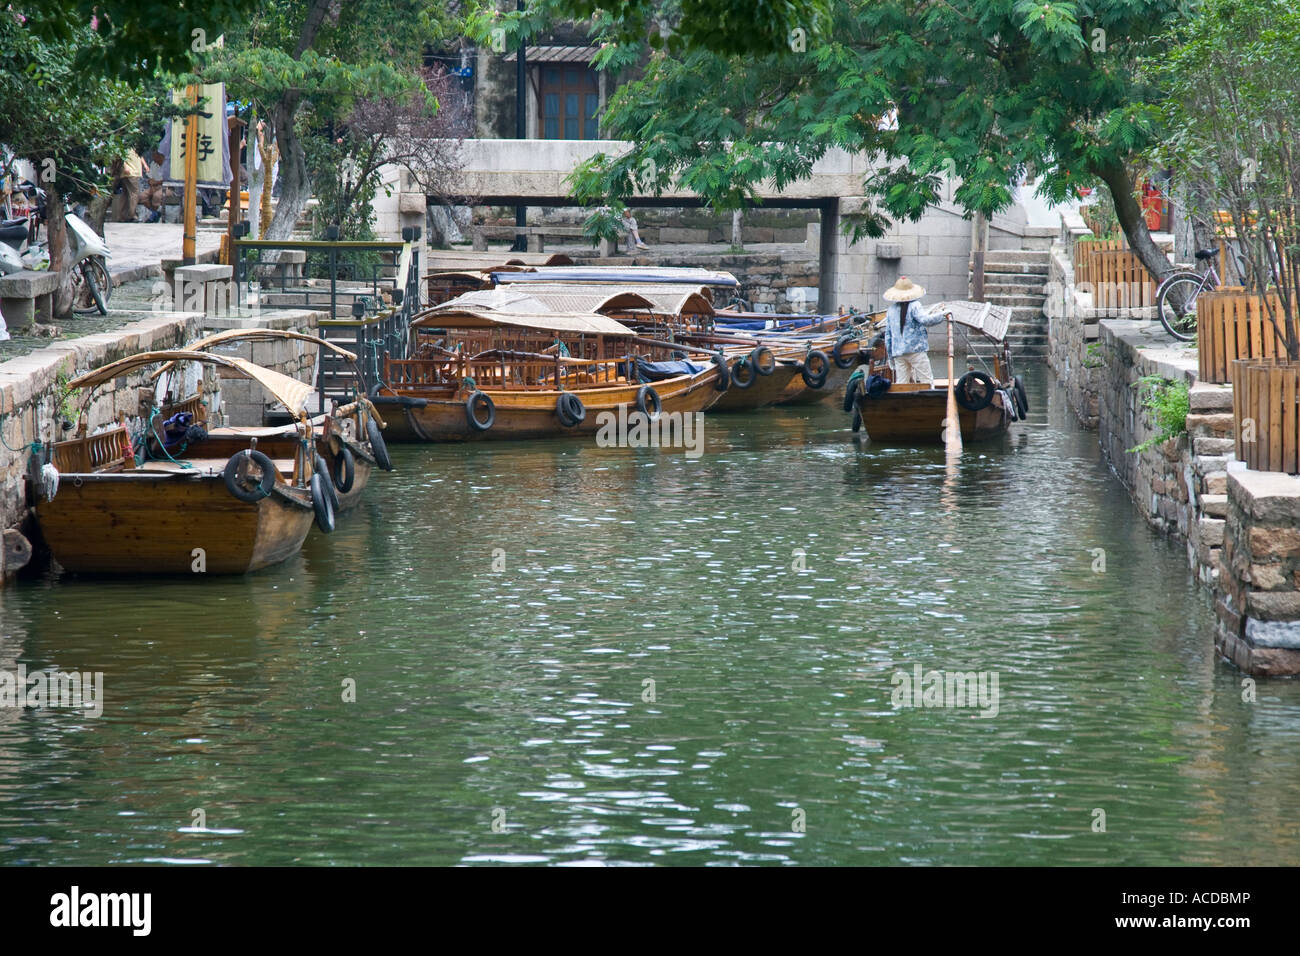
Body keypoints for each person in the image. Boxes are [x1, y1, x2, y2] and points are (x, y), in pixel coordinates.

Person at [880, 275, 945, 384]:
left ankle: (902, 401)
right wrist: (942, 314)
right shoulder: (915, 305)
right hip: (916, 351)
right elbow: (925, 320)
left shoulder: (891, 310)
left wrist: (891, 356)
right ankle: (930, 400)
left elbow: (888, 336)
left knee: (901, 384)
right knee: (927, 382)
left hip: (899, 353)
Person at [111, 149, 143, 222]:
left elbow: (140, 155)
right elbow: (120, 155)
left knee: (125, 194)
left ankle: (122, 216)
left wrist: (144, 165)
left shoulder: (135, 145)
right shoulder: (126, 144)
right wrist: (125, 167)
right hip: (131, 172)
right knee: (134, 193)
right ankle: (132, 215)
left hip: (132, 172)